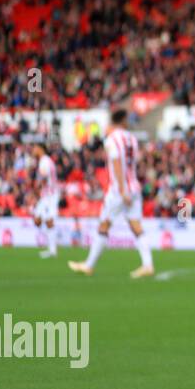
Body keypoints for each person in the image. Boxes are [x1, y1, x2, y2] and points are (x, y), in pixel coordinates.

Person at [69, 109, 155, 278]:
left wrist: (122, 190)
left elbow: (117, 163)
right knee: (136, 226)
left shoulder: (112, 139)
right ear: (123, 120)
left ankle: (89, 265)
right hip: (134, 187)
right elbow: (133, 163)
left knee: (104, 225)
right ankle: (148, 265)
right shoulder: (132, 139)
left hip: (118, 190)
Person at [31, 143, 59, 259]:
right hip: (45, 196)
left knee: (49, 221)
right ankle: (51, 247)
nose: (33, 150)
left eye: (35, 147)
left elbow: (43, 176)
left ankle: (52, 250)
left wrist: (36, 188)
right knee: (37, 220)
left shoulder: (45, 161)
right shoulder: (43, 161)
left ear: (40, 149)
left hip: (50, 196)